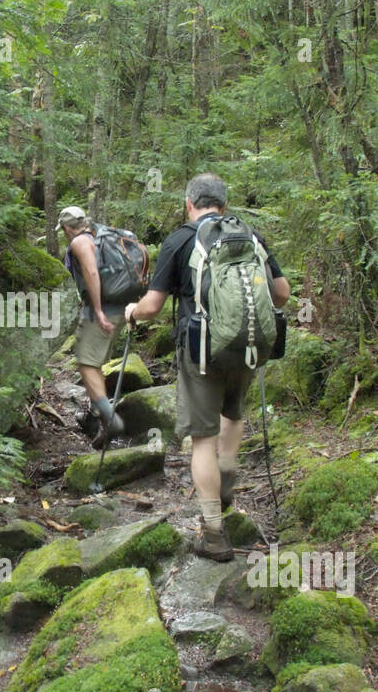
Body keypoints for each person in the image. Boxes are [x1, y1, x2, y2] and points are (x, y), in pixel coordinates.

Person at [123, 174, 290, 561]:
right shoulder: (250, 236)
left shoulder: (180, 240)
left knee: (201, 438)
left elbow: (152, 307)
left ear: (189, 203)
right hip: (247, 347)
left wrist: (132, 312)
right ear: (224, 205)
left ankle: (214, 533)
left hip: (201, 353)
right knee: (233, 413)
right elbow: (281, 294)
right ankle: (227, 471)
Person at [58, 205, 127, 448]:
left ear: (67, 228)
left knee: (86, 364)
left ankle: (109, 418)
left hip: (102, 309)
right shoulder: (106, 234)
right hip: (122, 307)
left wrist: (97, 310)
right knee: (95, 364)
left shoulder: (80, 242)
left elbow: (91, 271)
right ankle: (97, 417)